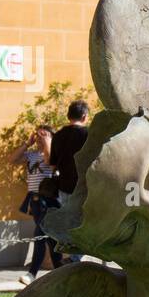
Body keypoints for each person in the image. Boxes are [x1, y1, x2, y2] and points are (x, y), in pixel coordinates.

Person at [11, 126, 63, 284]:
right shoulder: (32, 155)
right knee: (51, 238)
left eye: (43, 135)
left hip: (48, 199)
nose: (40, 138)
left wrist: (48, 142)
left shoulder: (54, 154)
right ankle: (60, 271)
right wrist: (28, 143)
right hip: (34, 200)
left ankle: (32, 273)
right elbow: (12, 160)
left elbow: (50, 162)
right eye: (38, 135)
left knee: (40, 234)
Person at [50, 100, 91, 262]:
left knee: (69, 221)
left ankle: (70, 256)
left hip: (63, 186)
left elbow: (52, 163)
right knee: (83, 223)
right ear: (84, 116)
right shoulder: (88, 135)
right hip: (83, 186)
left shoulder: (58, 135)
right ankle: (75, 258)